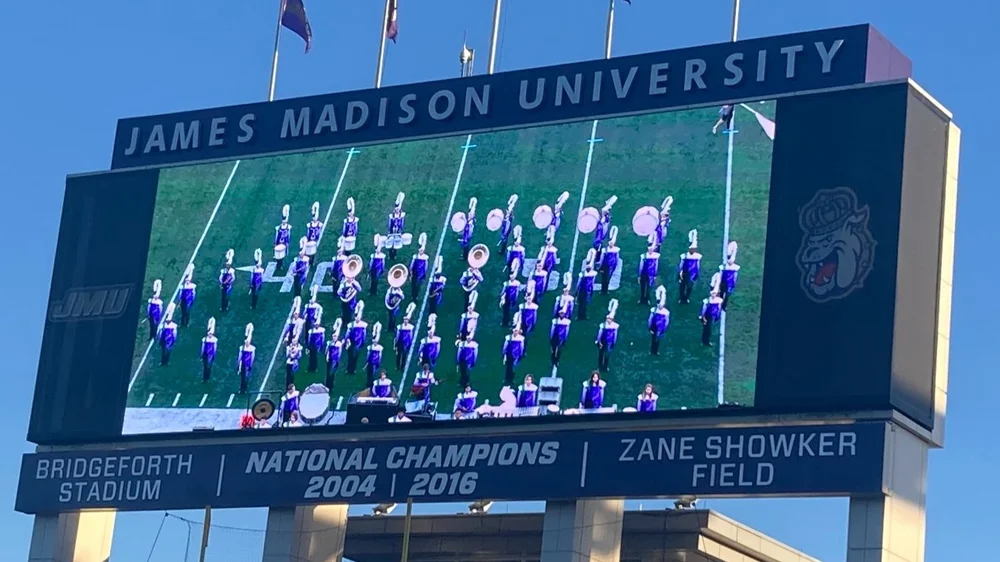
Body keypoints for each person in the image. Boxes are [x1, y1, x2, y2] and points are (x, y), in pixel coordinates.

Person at [677, 229, 703, 305]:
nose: (692, 250)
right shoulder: (684, 256)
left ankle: (686, 297)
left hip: (692, 273)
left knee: (689, 286)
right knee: (682, 286)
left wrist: (697, 273)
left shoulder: (697, 256)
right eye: (691, 249)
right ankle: (682, 298)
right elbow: (681, 265)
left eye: (694, 249)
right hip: (685, 273)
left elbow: (698, 265)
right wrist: (679, 274)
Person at [699, 273, 724, 347]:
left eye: (715, 294)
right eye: (712, 294)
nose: (713, 295)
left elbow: (719, 308)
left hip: (713, 315)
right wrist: (703, 318)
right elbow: (704, 310)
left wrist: (717, 315)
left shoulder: (719, 300)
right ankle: (705, 341)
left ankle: (705, 341)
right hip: (708, 316)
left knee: (709, 329)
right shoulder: (707, 301)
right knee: (707, 330)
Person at [595, 300, 619, 373]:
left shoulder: (615, 326)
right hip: (603, 341)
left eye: (611, 319)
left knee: (607, 355)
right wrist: (599, 341)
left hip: (609, 342)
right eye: (608, 319)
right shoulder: (603, 325)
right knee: (601, 354)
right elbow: (600, 334)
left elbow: (615, 335)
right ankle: (600, 366)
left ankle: (605, 366)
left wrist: (613, 342)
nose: (609, 320)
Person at [502, 315, 526, 386]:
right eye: (514, 331)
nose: (515, 332)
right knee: (508, 367)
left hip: (516, 354)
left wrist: (520, 354)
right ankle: (507, 379)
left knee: (514, 367)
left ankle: (512, 379)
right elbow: (505, 347)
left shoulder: (521, 338)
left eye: (516, 331)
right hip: (509, 354)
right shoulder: (508, 337)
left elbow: (521, 347)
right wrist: (504, 354)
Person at [648, 286, 670, 355]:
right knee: (654, 339)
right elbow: (650, 319)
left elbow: (666, 321)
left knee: (657, 339)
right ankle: (653, 350)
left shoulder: (665, 312)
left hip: (659, 327)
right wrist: (649, 327)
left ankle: (655, 350)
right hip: (655, 327)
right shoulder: (654, 310)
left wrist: (664, 328)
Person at [637, 236, 659, 306]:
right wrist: (639, 275)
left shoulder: (656, 256)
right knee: (643, 286)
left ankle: (647, 299)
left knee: (649, 287)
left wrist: (655, 274)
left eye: (652, 249)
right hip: (644, 273)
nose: (650, 251)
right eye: (649, 249)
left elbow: (656, 266)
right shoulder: (643, 256)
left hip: (651, 273)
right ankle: (642, 298)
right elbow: (641, 266)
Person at [394, 304, 416, 372]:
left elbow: (411, 335)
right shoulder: (399, 327)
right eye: (405, 320)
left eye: (407, 320)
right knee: (398, 355)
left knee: (404, 355)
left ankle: (402, 367)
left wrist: (410, 343)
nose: (406, 321)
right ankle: (398, 367)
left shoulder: (410, 327)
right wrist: (396, 344)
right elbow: (397, 336)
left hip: (406, 342)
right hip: (400, 342)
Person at [576, 250, 597, 321]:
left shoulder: (591, 274)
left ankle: (583, 315)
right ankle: (580, 316)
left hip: (587, 290)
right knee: (581, 304)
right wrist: (577, 291)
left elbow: (592, 283)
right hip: (583, 290)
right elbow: (578, 284)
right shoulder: (582, 274)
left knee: (585, 304)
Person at [719, 241, 740, 311]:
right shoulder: (724, 267)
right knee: (721, 293)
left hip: (730, 283)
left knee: (727, 295)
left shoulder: (735, 268)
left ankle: (724, 306)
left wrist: (734, 282)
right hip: (724, 282)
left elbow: (735, 276)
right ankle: (721, 304)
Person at [600, 228, 620, 296]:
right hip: (605, 265)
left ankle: (606, 290)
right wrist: (601, 266)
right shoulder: (605, 250)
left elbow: (617, 257)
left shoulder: (616, 250)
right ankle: (603, 290)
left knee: (608, 278)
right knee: (604, 279)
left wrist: (616, 264)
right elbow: (602, 259)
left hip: (611, 265)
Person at [409, 233, 429, 300]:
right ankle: (413, 295)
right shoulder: (415, 257)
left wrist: (424, 273)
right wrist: (411, 272)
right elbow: (411, 265)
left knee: (418, 285)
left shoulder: (425, 258)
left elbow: (425, 266)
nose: (421, 252)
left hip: (420, 274)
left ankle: (416, 295)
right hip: (415, 273)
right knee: (413, 285)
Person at [325, 319, 344, 389]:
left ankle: (331, 385)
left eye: (335, 336)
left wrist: (338, 360)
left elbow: (339, 352)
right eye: (333, 336)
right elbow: (327, 351)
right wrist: (327, 356)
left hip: (335, 359)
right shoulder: (329, 343)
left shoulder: (339, 344)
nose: (334, 338)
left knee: (332, 372)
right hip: (330, 359)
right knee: (328, 372)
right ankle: (327, 384)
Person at [365, 322, 385, 388]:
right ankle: (369, 382)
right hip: (371, 362)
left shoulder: (379, 347)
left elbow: (380, 356)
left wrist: (378, 362)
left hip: (374, 362)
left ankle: (371, 383)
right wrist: (367, 361)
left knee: (373, 373)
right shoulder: (370, 347)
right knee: (369, 373)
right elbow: (368, 355)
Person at [273, 204, 292, 271]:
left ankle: (280, 264)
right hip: (279, 243)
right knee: (278, 254)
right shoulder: (278, 228)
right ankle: (278, 264)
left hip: (284, 243)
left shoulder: (288, 227)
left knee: (283, 254)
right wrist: (275, 243)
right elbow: (277, 236)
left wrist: (287, 242)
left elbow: (288, 235)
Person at [238, 324, 255, 394]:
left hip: (247, 364)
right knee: (243, 378)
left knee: (246, 377)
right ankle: (242, 389)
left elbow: (252, 357)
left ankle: (245, 388)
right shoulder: (242, 348)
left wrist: (251, 365)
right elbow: (240, 357)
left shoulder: (251, 348)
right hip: (243, 364)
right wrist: (238, 364)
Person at [200, 317, 218, 382]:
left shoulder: (215, 340)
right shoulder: (204, 339)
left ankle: (207, 377)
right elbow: (202, 348)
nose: (210, 335)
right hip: (205, 354)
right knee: (205, 367)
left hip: (210, 355)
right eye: (209, 334)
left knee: (209, 366)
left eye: (211, 334)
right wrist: (201, 355)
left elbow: (215, 348)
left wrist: (214, 355)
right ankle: (205, 378)